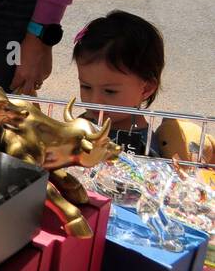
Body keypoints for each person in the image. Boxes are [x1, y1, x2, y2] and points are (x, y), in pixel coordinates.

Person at [73, 11, 214, 164]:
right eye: (86, 86)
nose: (94, 100)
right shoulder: (84, 122)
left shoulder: (143, 147)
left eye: (110, 91)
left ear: (146, 89)